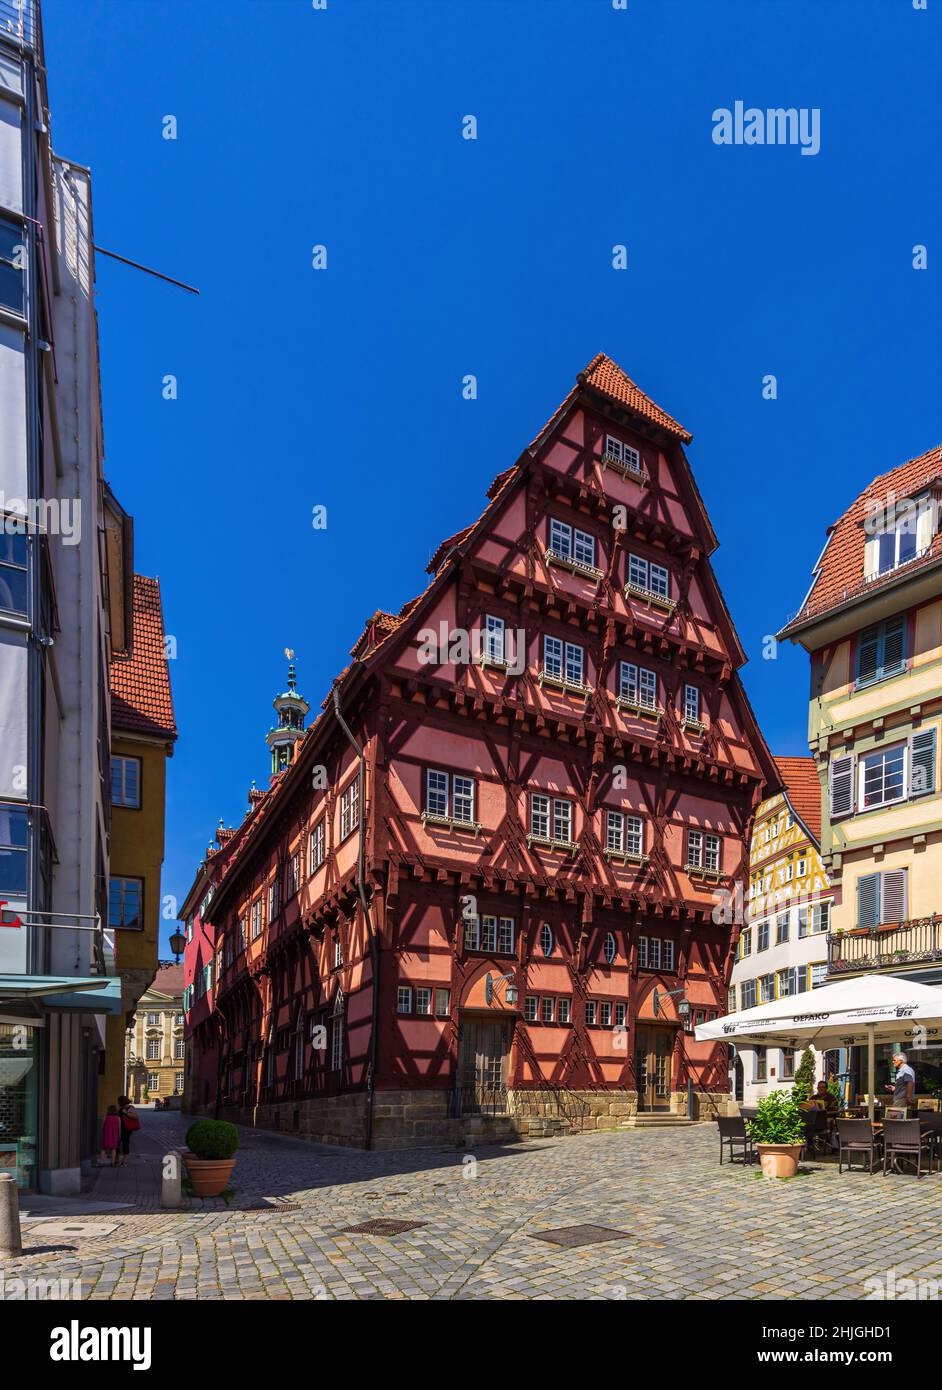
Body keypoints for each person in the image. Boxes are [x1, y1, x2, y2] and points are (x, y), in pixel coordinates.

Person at [116, 1094, 140, 1165]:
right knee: (117, 1143)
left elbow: (136, 1116)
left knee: (125, 1143)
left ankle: (125, 1160)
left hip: (127, 1129)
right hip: (120, 1128)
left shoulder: (130, 1108)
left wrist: (126, 1113)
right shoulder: (121, 1108)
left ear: (122, 1101)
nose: (118, 1103)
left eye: (118, 1101)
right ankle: (118, 1159)